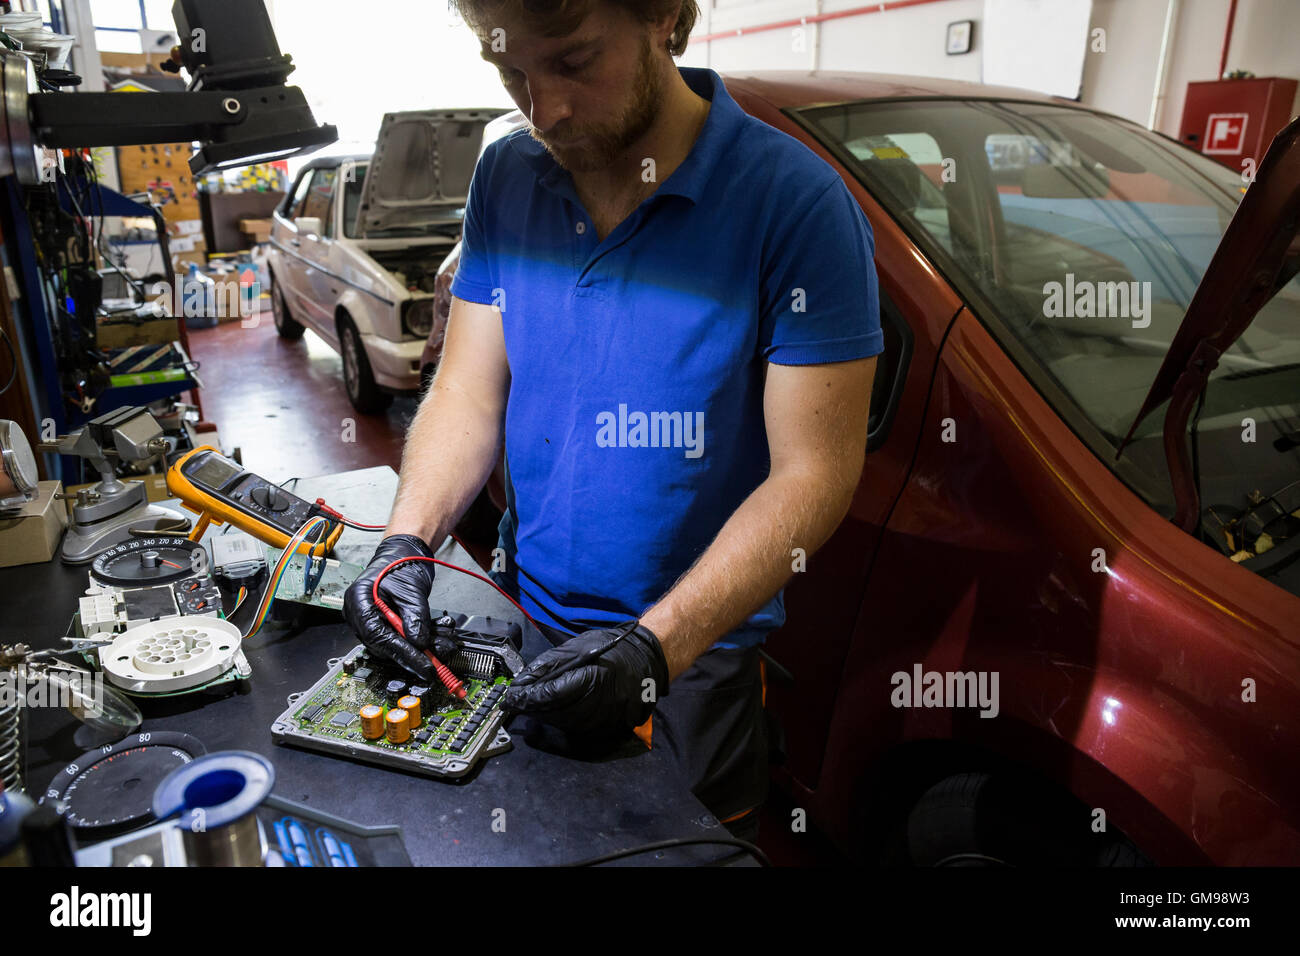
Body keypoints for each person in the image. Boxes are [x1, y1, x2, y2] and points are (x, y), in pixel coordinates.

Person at [343, 0, 881, 841]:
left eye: (574, 62)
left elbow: (815, 472)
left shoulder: (797, 205)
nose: (543, 107)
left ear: (664, 15)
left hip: (695, 663)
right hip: (525, 625)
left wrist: (653, 649)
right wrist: (404, 544)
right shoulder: (508, 177)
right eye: (510, 72)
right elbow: (467, 393)